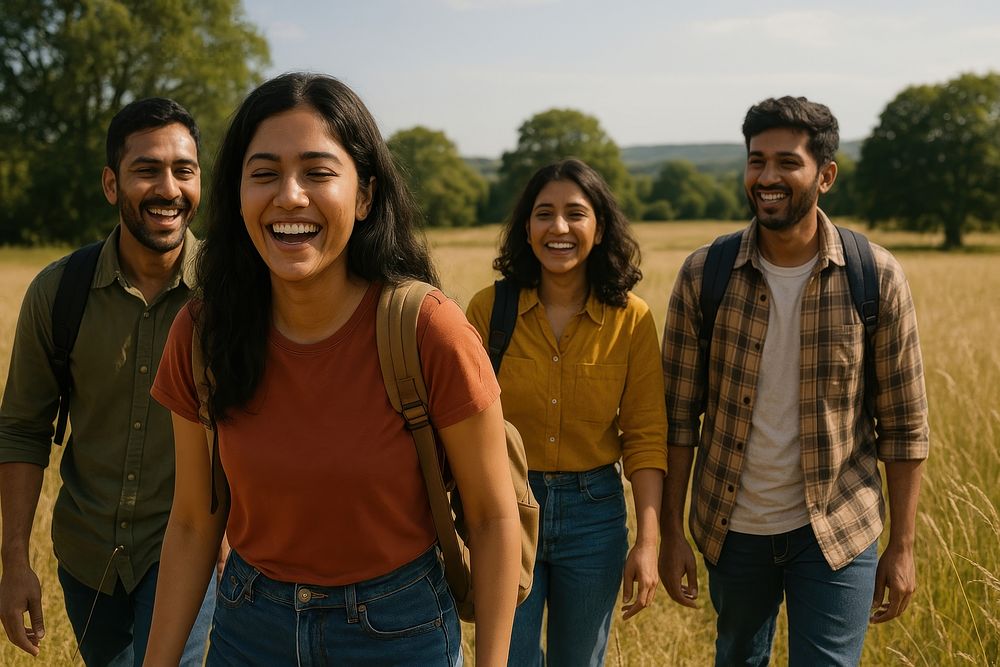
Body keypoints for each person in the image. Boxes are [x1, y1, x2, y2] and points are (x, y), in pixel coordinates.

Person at [142, 72, 520, 667]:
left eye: (318, 172)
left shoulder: (428, 330)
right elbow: (193, 522)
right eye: (263, 173)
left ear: (365, 195)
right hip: (249, 625)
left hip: (400, 629)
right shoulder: (201, 335)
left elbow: (493, 517)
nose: (290, 196)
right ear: (238, 194)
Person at [658, 96, 930, 666]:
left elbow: (905, 427)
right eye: (757, 161)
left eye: (787, 162)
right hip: (731, 527)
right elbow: (677, 419)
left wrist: (901, 548)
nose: (767, 177)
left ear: (825, 175)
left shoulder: (874, 276)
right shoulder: (704, 274)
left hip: (838, 529)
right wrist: (669, 532)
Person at [0, 98, 215, 665]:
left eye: (184, 170)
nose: (168, 188)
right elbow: (22, 429)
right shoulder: (58, 292)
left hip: (191, 554)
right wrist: (16, 562)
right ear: (111, 183)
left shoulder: (233, 296)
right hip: (87, 556)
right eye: (147, 169)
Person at [466, 158, 667, 667]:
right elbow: (462, 426)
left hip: (594, 513)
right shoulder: (489, 312)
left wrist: (648, 540)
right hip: (505, 507)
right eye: (544, 214)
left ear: (599, 229)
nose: (559, 228)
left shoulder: (632, 319)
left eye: (575, 213)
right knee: (509, 658)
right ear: (526, 229)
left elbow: (644, 435)